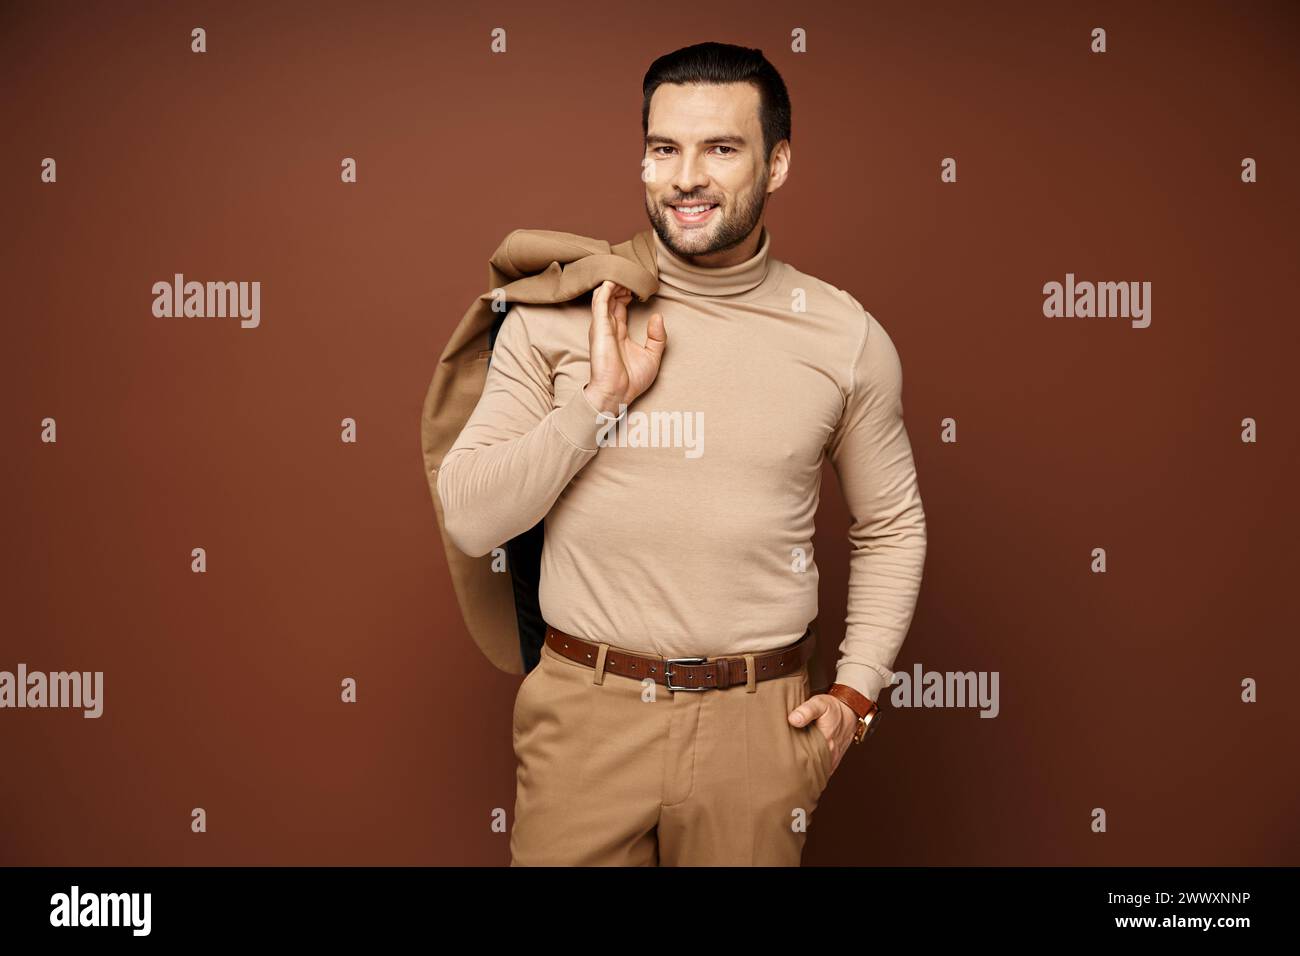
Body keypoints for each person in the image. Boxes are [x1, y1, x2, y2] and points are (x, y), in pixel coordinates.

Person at [437, 40, 927, 865]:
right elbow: (471, 516)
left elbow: (891, 524)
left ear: (776, 164)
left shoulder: (845, 337)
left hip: (757, 729)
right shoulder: (564, 312)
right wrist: (598, 405)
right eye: (665, 148)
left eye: (721, 149)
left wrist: (856, 695)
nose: (686, 176)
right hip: (584, 719)